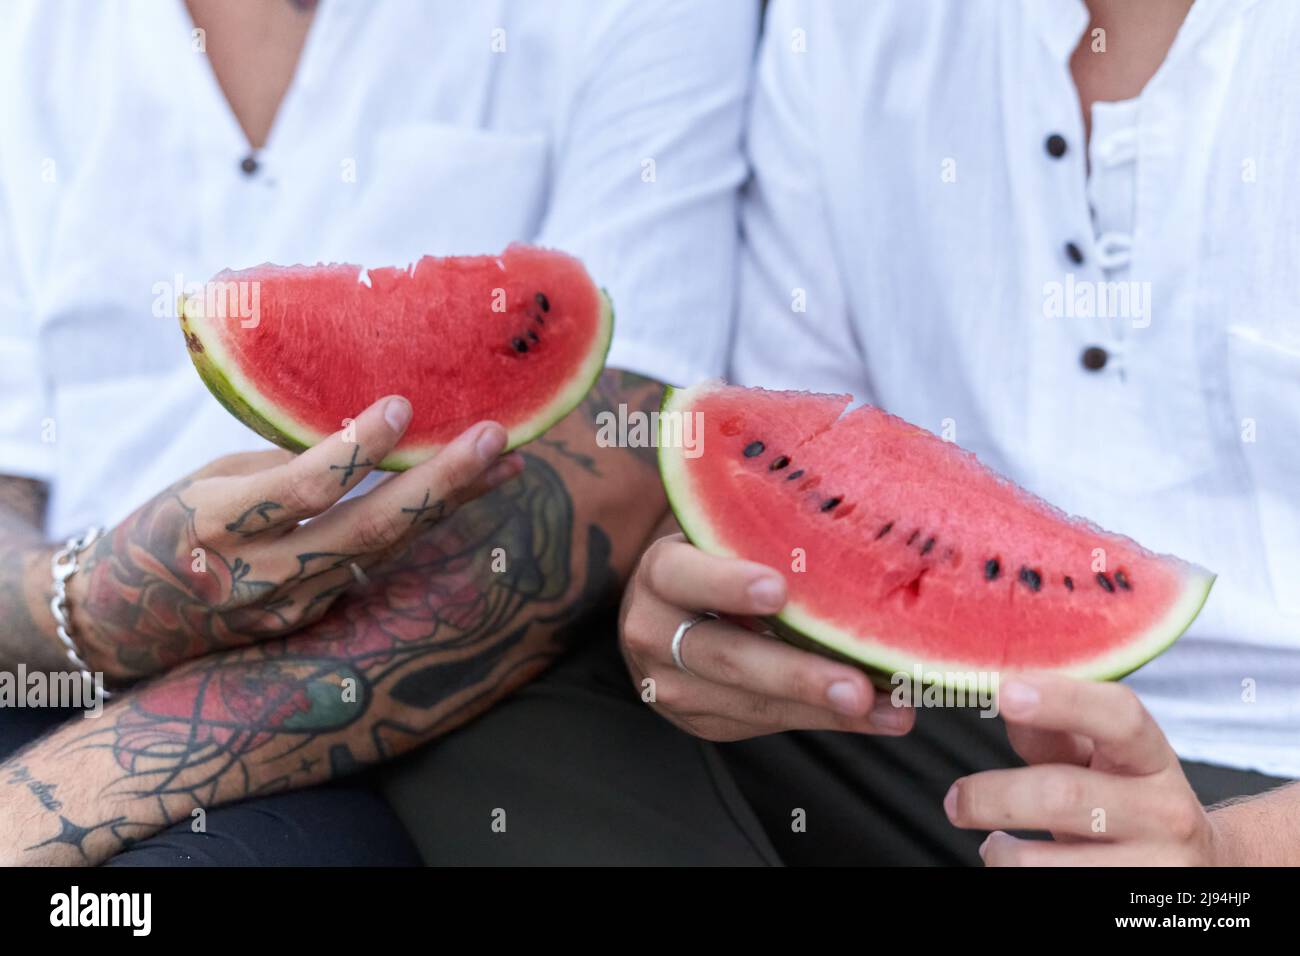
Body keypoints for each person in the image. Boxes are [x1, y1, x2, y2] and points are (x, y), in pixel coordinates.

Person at [383, 0, 1300, 865]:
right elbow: (808, 473)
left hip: (1269, 791)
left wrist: (1228, 857)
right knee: (499, 689)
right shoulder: (844, 27)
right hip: (944, 739)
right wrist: (701, 618)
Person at [0, 0, 756, 865]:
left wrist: (64, 792)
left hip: (394, 735)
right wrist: (92, 598)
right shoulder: (33, 30)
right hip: (51, 666)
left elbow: (618, 460)